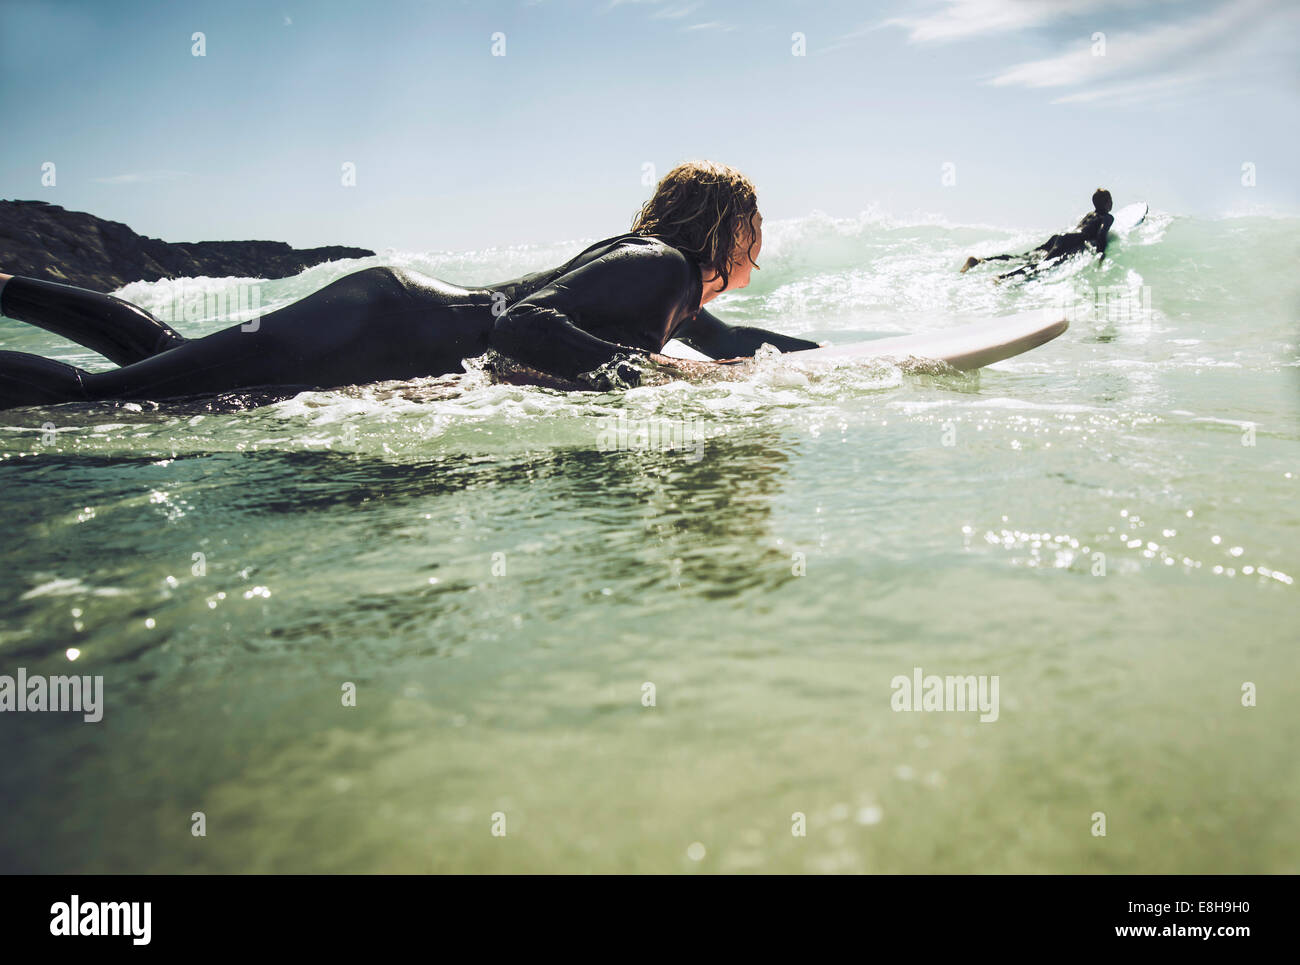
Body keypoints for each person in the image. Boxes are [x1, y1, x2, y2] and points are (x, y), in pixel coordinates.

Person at [0, 160, 819, 410]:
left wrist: (841, 357)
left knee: (164, 362)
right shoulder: (658, 269)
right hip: (376, 328)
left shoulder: (666, 288)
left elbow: (736, 345)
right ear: (727, 230)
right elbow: (522, 329)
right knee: (102, 399)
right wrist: (631, 378)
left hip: (378, 315)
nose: (760, 250)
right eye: (756, 233)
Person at [960, 188, 1115, 279]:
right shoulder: (1107, 217)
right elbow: (1101, 235)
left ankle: (979, 261)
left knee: (1023, 257)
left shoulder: (1089, 214)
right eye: (1110, 200)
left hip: (1060, 237)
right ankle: (1002, 278)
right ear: (1107, 202)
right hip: (1068, 241)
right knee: (1042, 266)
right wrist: (1101, 256)